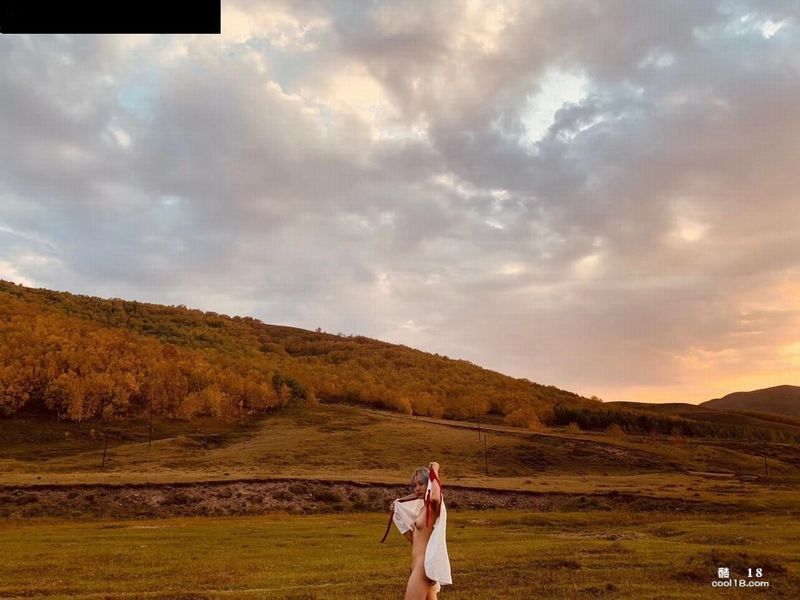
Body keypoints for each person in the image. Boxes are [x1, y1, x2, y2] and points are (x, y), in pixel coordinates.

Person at [389, 461, 452, 599]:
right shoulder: (422, 509)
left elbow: (435, 497)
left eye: (421, 484)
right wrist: (398, 512)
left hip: (423, 567)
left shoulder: (433, 508)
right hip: (416, 564)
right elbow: (413, 539)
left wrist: (435, 470)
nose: (417, 488)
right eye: (414, 485)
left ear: (429, 485)